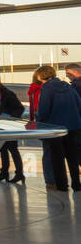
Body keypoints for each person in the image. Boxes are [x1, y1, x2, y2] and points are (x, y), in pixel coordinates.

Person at [34, 64, 81, 192]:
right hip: (72, 126)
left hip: (55, 128)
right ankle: (76, 185)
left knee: (57, 158)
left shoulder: (46, 89)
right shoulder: (67, 86)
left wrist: (37, 118)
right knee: (72, 157)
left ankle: (62, 185)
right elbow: (78, 103)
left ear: (41, 76)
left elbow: (43, 110)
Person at [0, 77, 25, 183]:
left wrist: (8, 117)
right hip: (1, 126)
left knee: (13, 150)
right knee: (3, 150)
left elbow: (20, 108)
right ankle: (4, 173)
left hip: (10, 126)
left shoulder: (8, 94)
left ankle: (19, 174)